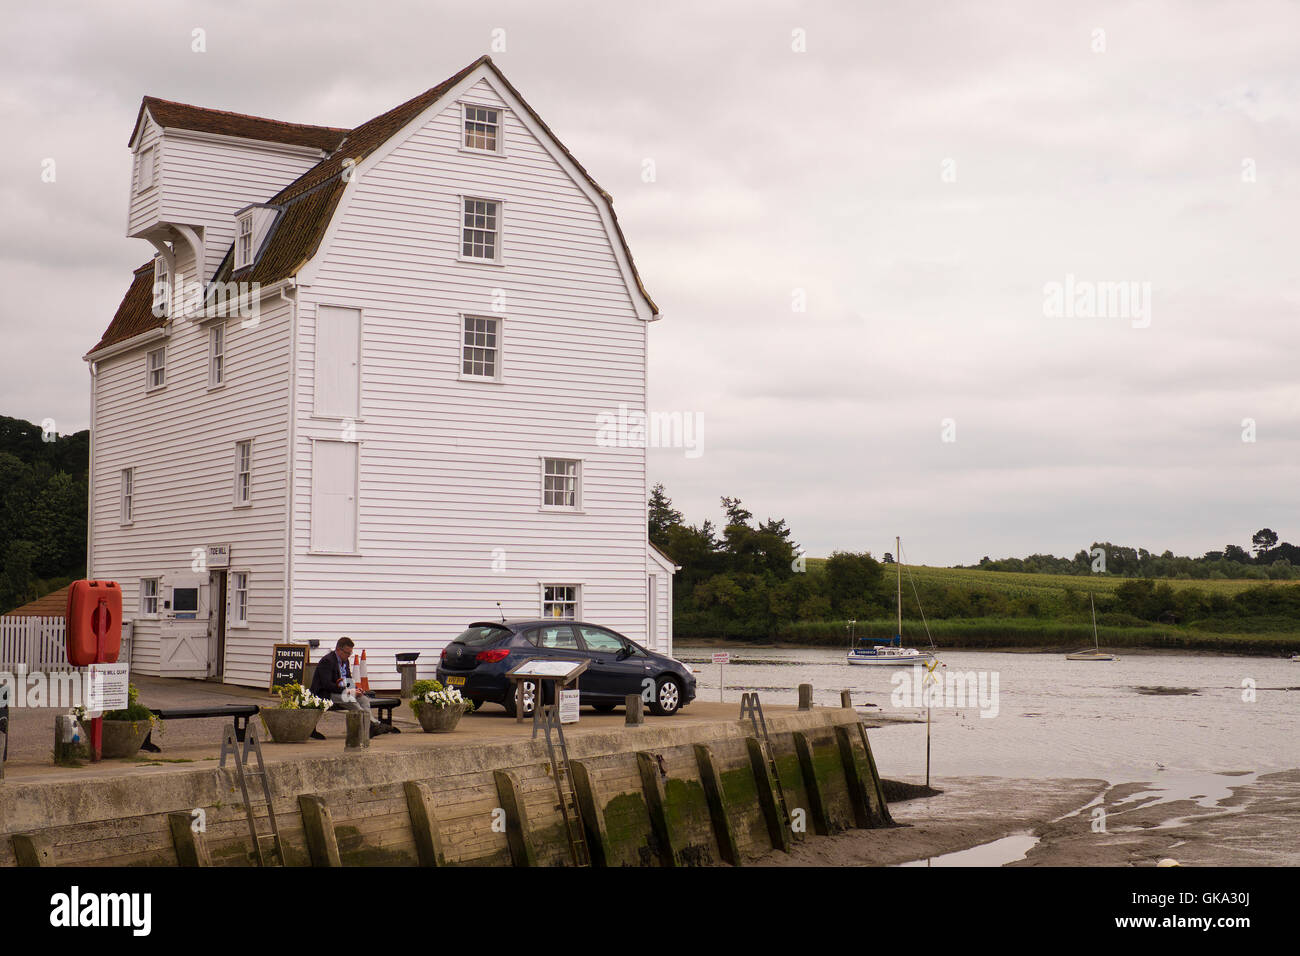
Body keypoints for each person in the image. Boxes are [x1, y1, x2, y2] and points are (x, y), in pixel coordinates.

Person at [309, 637, 380, 738]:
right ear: (338, 649)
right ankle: (370, 726)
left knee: (363, 699)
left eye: (350, 653)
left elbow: (348, 678)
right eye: (347, 653)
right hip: (326, 693)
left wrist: (355, 689)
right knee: (351, 700)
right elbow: (327, 685)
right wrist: (348, 691)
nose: (348, 656)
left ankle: (372, 725)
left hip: (341, 692)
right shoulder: (327, 661)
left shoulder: (345, 661)